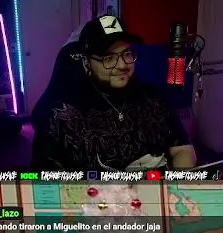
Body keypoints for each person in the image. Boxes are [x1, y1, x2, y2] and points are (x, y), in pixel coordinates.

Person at [31, 15, 197, 170]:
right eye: (108, 58)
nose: (122, 65)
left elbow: (183, 150)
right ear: (86, 63)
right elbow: (47, 181)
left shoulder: (155, 98)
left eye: (127, 54)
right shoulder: (60, 117)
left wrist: (175, 184)